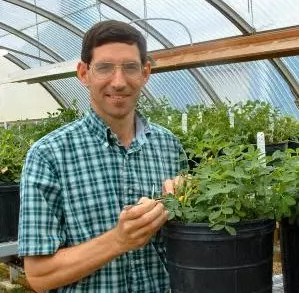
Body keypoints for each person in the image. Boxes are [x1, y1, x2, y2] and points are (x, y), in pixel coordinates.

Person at [18, 20, 186, 293]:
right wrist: (119, 240)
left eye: (130, 67)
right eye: (104, 68)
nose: (118, 82)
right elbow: (39, 275)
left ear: (145, 73)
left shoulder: (168, 145)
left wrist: (186, 204)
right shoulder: (48, 155)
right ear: (84, 73)